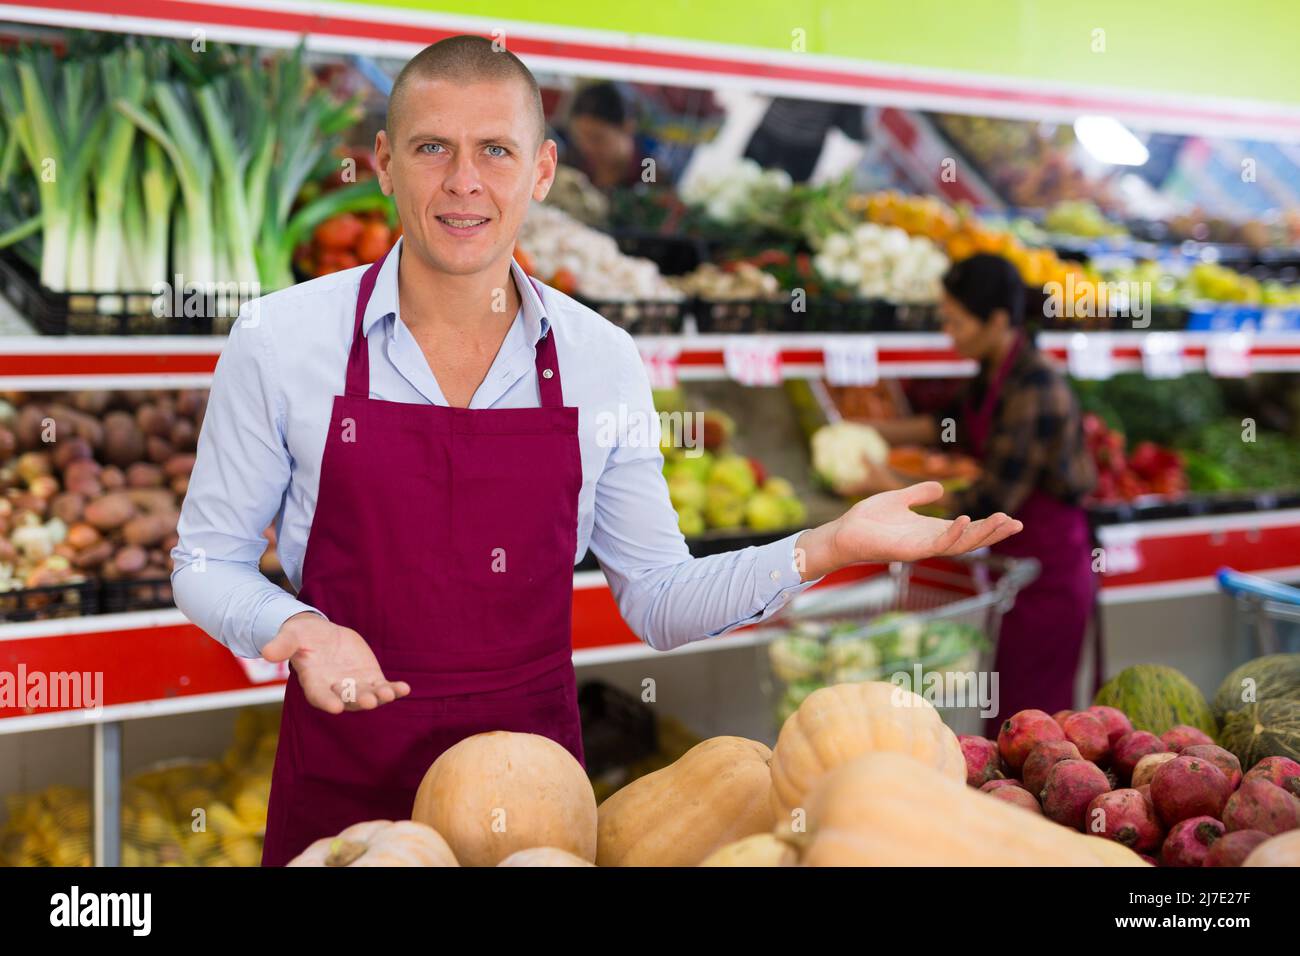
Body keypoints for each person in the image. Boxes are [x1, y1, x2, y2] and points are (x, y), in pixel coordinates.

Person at [170, 36, 1022, 866]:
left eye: (496, 151)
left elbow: (654, 597)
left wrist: (831, 545)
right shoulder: (281, 339)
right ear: (386, 163)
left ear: (541, 169)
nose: (464, 182)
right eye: (434, 148)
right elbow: (204, 561)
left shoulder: (600, 358)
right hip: (347, 811)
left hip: (540, 817)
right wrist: (299, 627)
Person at [843, 254, 1098, 732]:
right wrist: (865, 429)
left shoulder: (1035, 387)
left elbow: (990, 501)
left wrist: (891, 487)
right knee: (1004, 720)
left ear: (997, 320)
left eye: (955, 321)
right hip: (1014, 570)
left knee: (1032, 727)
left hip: (1048, 578)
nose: (948, 333)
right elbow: (947, 427)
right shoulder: (995, 367)